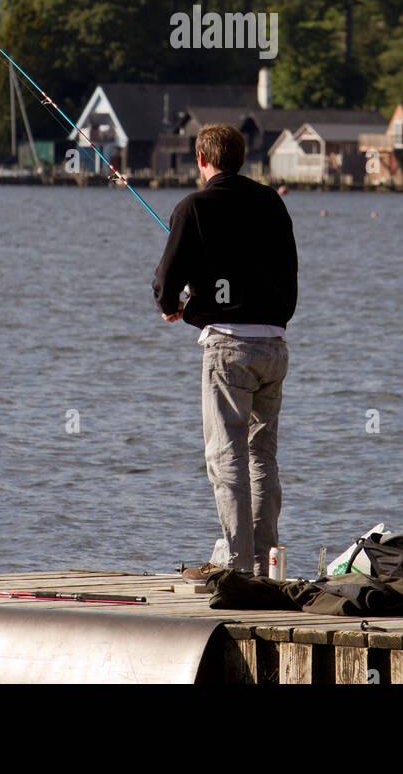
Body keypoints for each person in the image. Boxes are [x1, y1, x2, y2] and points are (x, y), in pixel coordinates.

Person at [152, 123, 298, 579]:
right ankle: (265, 560)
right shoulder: (272, 203)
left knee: (226, 456)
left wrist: (176, 306)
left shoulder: (193, 206)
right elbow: (288, 276)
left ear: (201, 160)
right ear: (242, 158)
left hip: (228, 347)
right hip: (274, 343)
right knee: (262, 454)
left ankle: (237, 563)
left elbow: (164, 283)